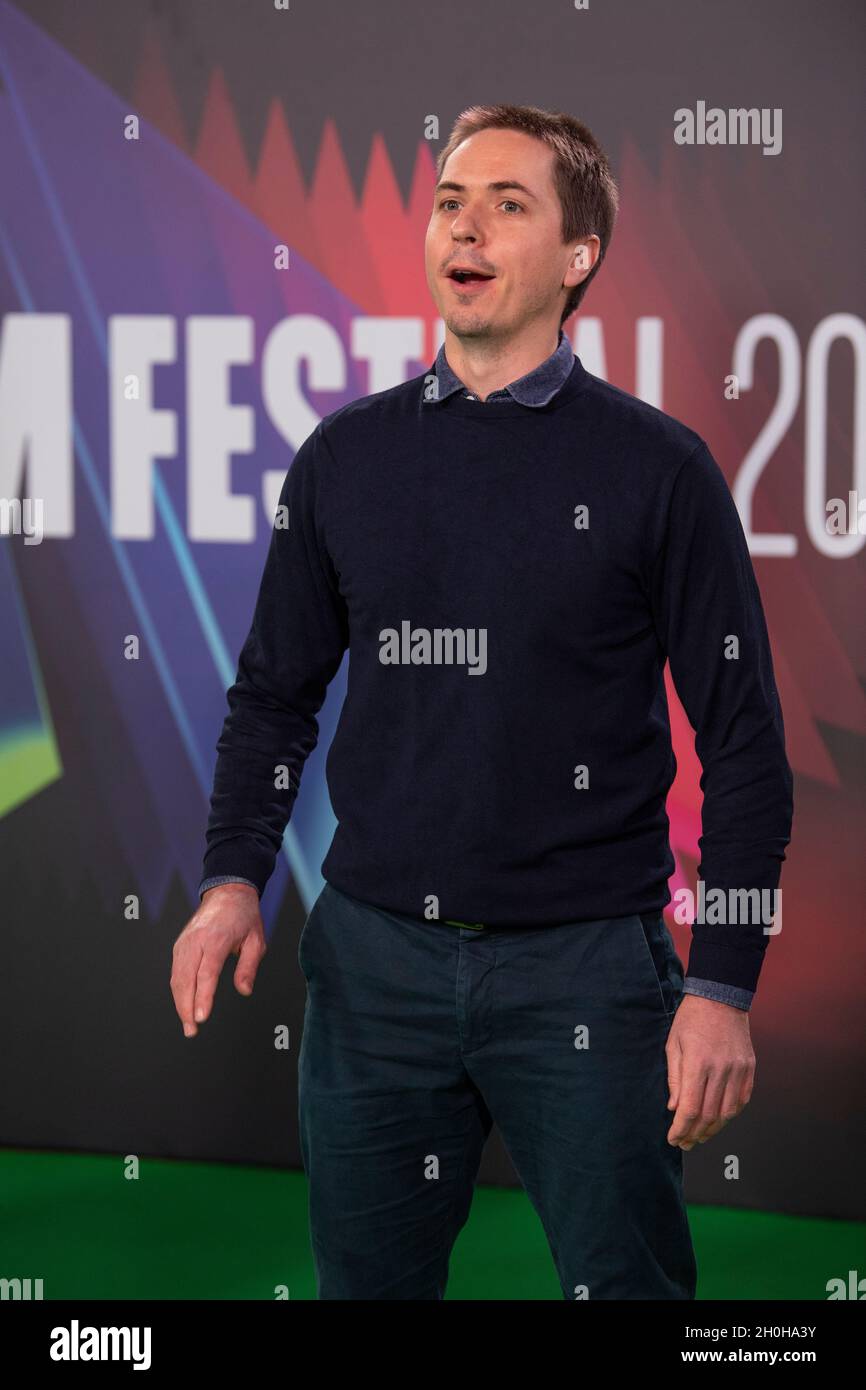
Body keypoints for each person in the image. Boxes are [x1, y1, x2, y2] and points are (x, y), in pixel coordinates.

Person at [171, 103, 794, 1300]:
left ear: (577, 259)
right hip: (371, 971)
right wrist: (232, 876)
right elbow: (271, 699)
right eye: (451, 199)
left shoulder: (657, 470)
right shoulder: (343, 460)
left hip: (590, 978)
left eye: (509, 204)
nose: (465, 225)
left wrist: (718, 985)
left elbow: (743, 742)